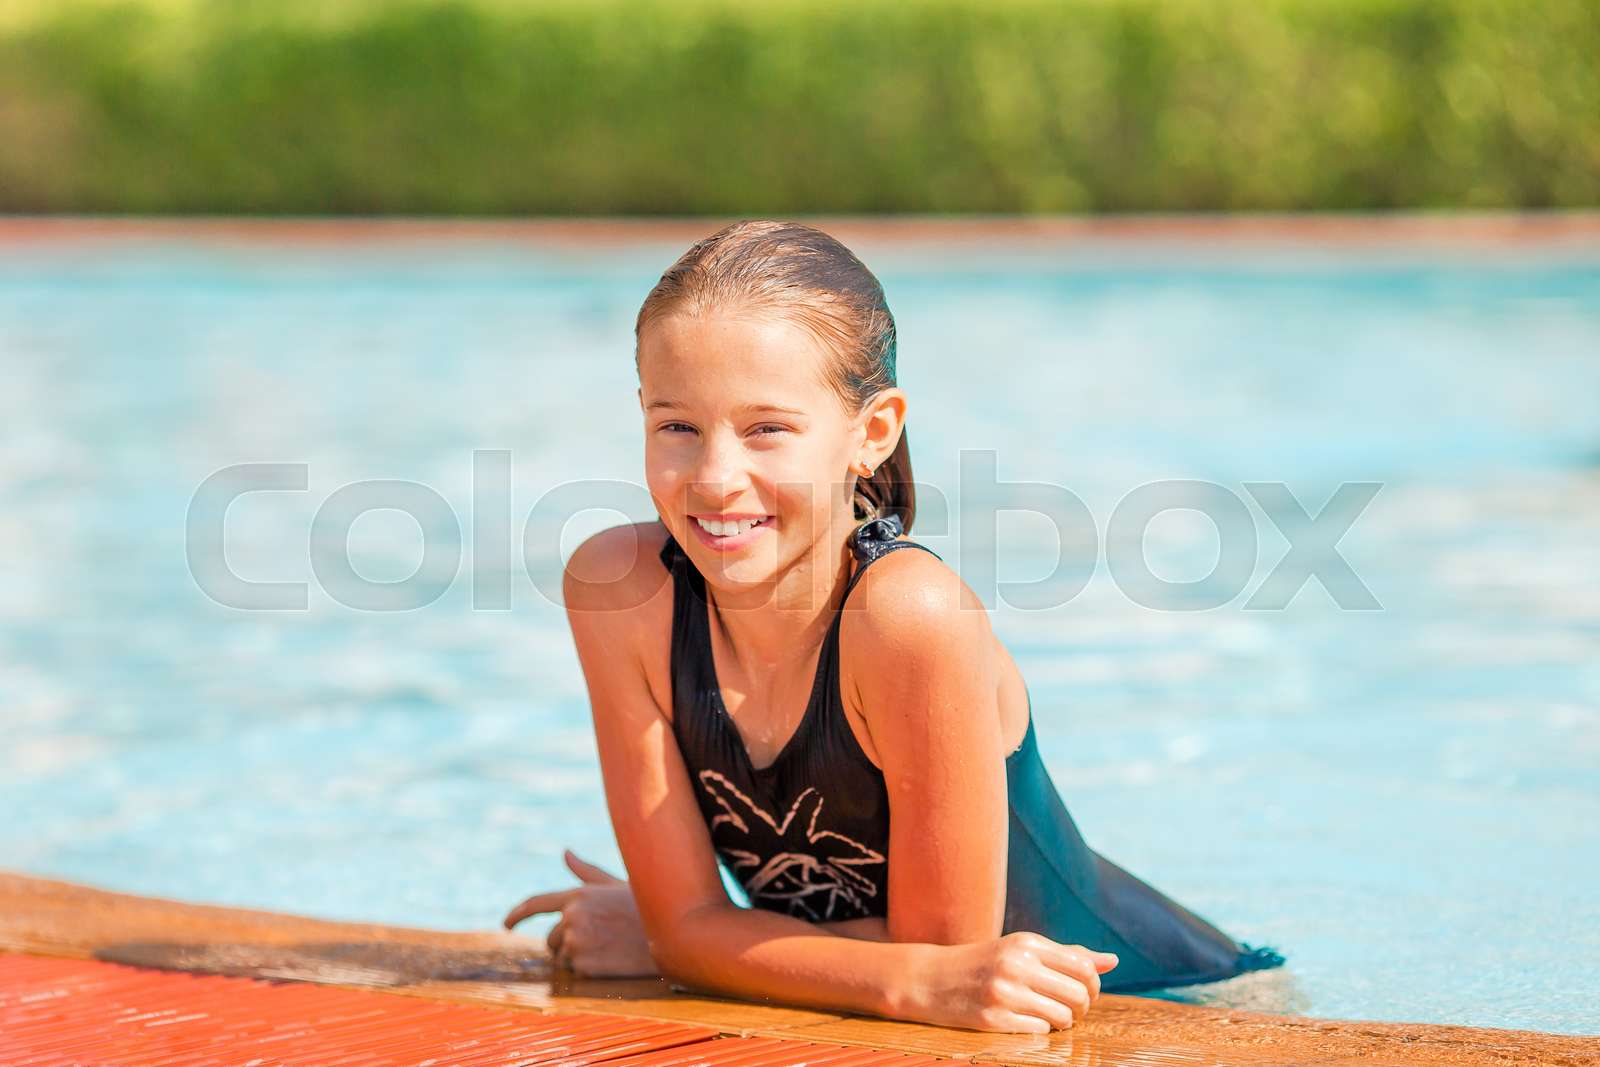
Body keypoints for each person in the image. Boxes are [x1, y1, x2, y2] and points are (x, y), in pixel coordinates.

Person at [503, 220, 1284, 1033]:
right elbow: (704, 932)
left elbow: (940, 963)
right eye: (677, 427)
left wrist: (690, 943)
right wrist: (683, 939)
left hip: (1182, 1000)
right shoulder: (621, 593)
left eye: (767, 428)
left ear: (872, 433)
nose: (715, 476)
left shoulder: (908, 618)